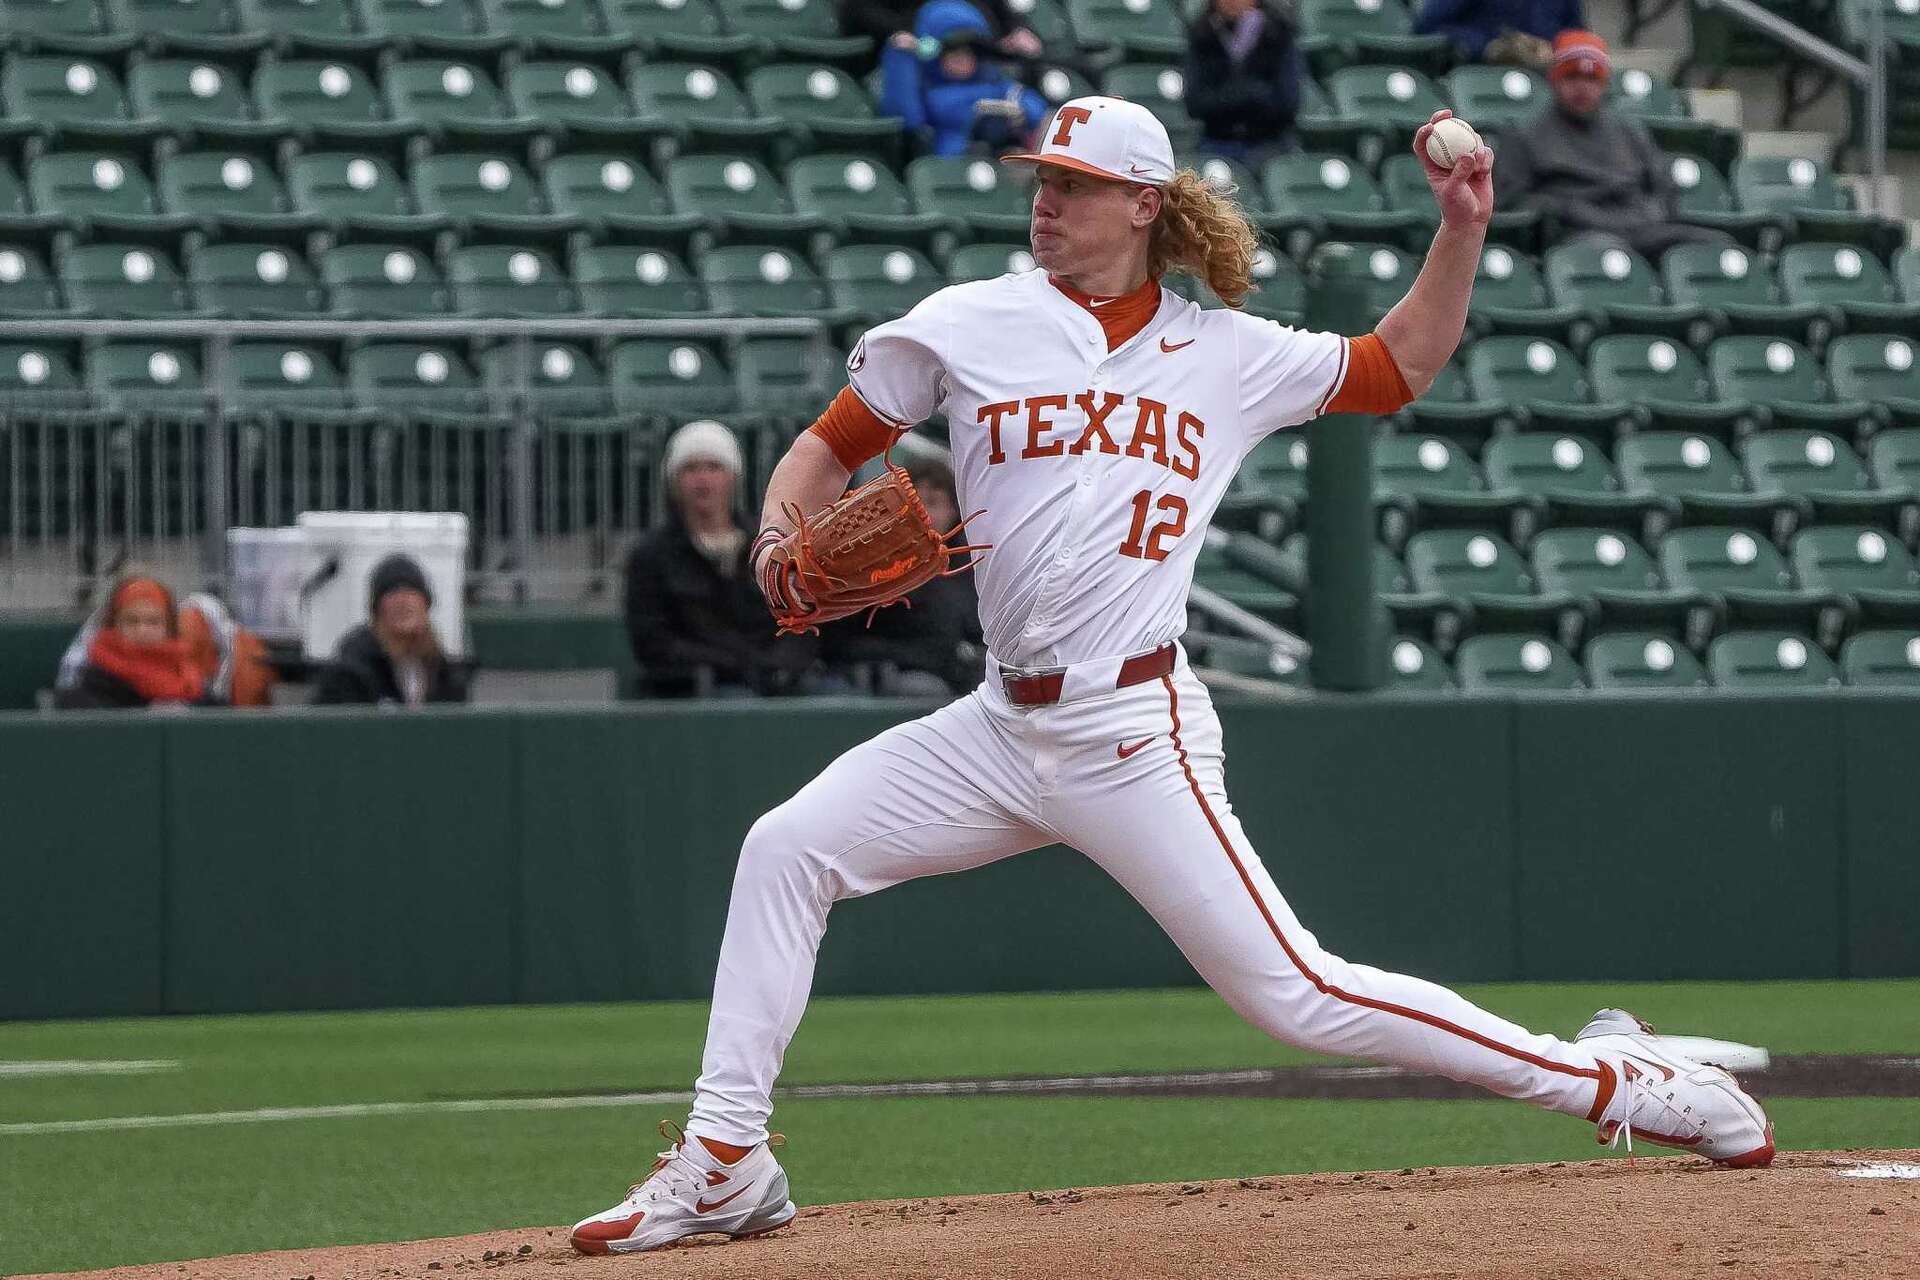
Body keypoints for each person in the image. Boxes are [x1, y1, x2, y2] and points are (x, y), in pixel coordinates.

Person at [568, 95, 1774, 1256]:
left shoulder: (1226, 353)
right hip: (997, 725)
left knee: (1297, 991)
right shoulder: (968, 321)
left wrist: (1459, 229)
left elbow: (1397, 364)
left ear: (1145, 204)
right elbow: (826, 450)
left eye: (1076, 187)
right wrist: (784, 529)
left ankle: (1625, 1081)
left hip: (1132, 729)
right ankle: (727, 1158)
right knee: (787, 847)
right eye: (1042, 181)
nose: (1048, 204)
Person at [623, 420, 824, 698]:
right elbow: (654, 643)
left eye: (714, 467)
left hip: (778, 678)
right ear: (674, 481)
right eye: (691, 469)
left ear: (733, 476)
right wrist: (735, 664)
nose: (703, 480)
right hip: (701, 688)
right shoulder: (651, 555)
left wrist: (782, 665)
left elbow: (801, 617)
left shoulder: (769, 545)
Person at [1494, 31, 1733, 258]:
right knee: (1608, 251)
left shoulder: (1627, 128)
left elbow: (1662, 185)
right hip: (1576, 233)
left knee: (1718, 246)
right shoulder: (1524, 133)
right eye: (1571, 77)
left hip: (1639, 225)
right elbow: (1512, 202)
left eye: (1591, 79)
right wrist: (1561, 208)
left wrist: (1651, 212)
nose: (1582, 87)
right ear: (1554, 79)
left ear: (1604, 83)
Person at [821, 455, 985, 695]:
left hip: (963, 677)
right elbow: (841, 639)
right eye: (915, 502)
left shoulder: (971, 564)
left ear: (953, 510)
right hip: (891, 675)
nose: (925, 513)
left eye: (933, 502)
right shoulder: (872, 560)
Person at [877, 0, 1049, 157]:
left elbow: (1035, 106)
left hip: (999, 163)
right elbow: (908, 117)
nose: (962, 58)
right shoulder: (925, 88)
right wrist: (901, 58)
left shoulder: (993, 81)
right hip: (951, 165)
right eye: (952, 50)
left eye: (970, 52)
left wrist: (1022, 111)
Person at [310, 553, 469, 706]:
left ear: (426, 606)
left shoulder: (445, 673)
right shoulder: (351, 671)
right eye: (392, 592)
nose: (403, 601)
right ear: (377, 610)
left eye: (411, 591)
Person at [53, 573, 210, 709]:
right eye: (132, 621)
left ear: (169, 627)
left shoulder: (191, 683)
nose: (142, 630)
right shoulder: (91, 686)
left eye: (153, 622)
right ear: (115, 625)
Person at [1184, 0, 1305, 164]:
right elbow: (1195, 103)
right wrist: (1253, 94)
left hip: (1270, 142)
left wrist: (1228, 97)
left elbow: (1288, 102)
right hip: (1217, 142)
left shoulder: (1279, 31)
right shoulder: (1202, 33)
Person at [838, 0, 1044, 62]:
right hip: (927, 56)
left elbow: (1004, 12)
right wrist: (901, 32)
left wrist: (1018, 30)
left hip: (985, 54)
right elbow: (857, 8)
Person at [1414, 0, 1584, 65]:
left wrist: (1555, 49)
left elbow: (1577, 35)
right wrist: (1489, 46)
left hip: (1547, 78)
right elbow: (1426, 26)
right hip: (1482, 72)